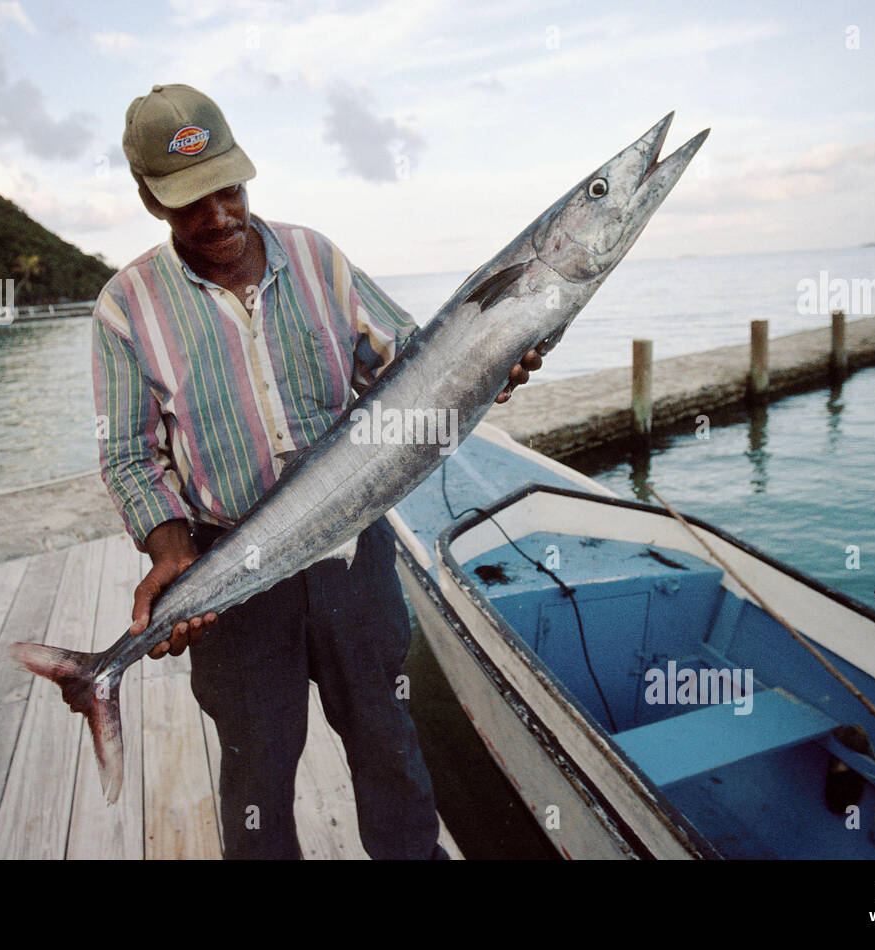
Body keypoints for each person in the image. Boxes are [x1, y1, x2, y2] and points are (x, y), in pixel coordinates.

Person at [92, 83, 541, 859]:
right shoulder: (125, 306)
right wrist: (172, 554)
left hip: (352, 559)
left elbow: (412, 365)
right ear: (148, 198)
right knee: (255, 775)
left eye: (228, 188)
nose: (219, 216)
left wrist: (492, 363)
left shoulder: (317, 256)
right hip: (228, 571)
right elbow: (130, 453)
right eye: (190, 201)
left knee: (390, 747)